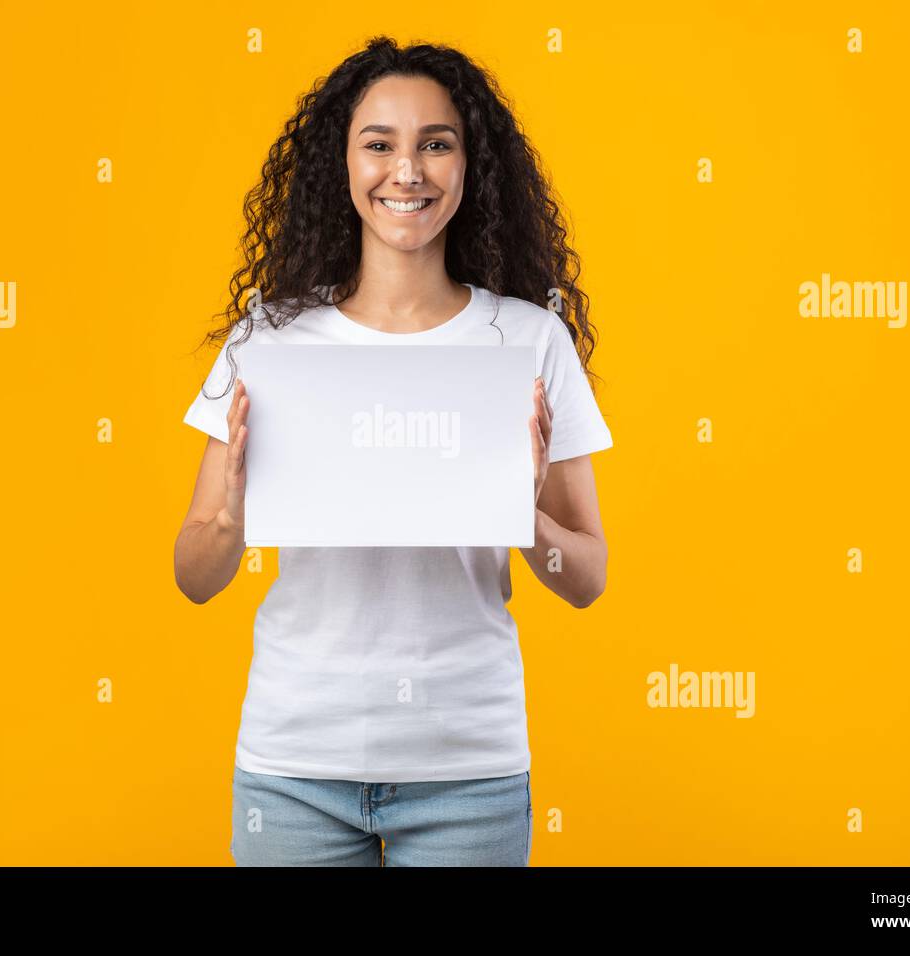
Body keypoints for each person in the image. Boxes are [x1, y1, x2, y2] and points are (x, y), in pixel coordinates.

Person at [173, 36, 613, 866]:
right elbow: (195, 577)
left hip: (467, 772)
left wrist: (526, 521)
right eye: (379, 144)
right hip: (293, 768)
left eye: (434, 144)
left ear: (468, 165)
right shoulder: (269, 340)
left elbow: (586, 579)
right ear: (340, 166)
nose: (405, 171)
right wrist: (232, 516)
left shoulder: (527, 340)